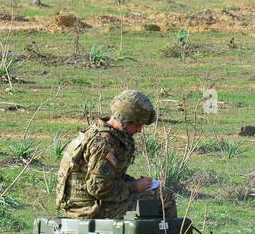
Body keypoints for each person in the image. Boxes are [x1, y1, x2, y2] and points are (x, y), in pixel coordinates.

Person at [55, 90, 177, 219]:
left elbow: (108, 177)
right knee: (164, 196)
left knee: (158, 194)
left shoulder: (107, 134)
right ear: (126, 121)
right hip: (90, 209)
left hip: (92, 203)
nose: (139, 130)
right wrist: (133, 187)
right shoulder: (104, 144)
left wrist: (133, 182)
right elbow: (98, 188)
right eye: (137, 125)